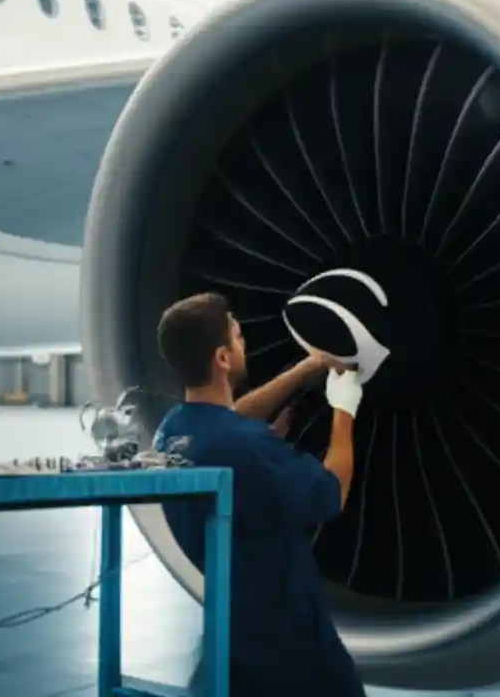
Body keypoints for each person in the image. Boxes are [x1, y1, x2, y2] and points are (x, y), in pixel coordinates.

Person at [152, 292, 367, 697]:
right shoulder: (247, 447)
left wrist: (305, 369)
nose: (244, 343)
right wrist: (345, 408)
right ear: (222, 358)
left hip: (230, 626)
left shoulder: (173, 431)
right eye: (238, 337)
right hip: (285, 634)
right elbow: (332, 492)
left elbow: (228, 420)